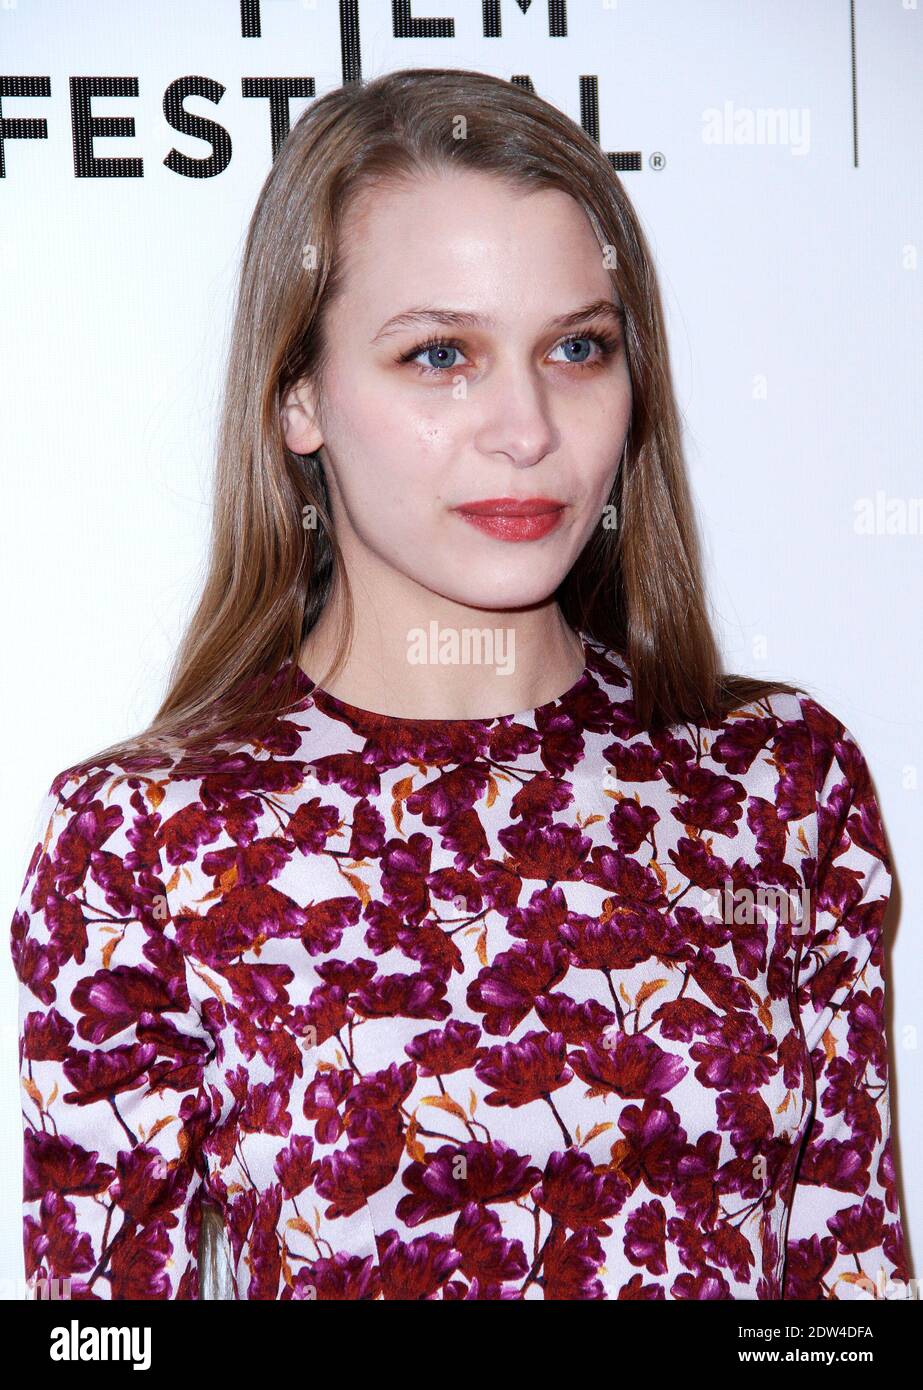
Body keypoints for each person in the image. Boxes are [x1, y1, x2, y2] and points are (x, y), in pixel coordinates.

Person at [10, 67, 911, 1300]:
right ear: (297, 397)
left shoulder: (775, 788)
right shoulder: (143, 842)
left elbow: (840, 1300)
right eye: (440, 354)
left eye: (576, 348)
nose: (526, 427)